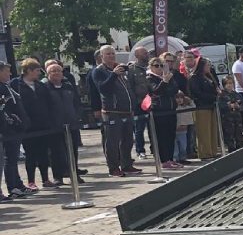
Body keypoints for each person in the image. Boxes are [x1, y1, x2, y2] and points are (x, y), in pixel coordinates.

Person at [91, 45, 142, 177]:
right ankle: (113, 168)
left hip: (126, 111)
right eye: (107, 54)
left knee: (128, 140)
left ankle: (126, 164)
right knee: (112, 142)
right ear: (101, 56)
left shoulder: (120, 68)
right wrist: (113, 75)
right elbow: (103, 89)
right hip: (112, 112)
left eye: (112, 53)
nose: (111, 56)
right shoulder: (99, 71)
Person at [12, 59, 55, 188]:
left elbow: (49, 103)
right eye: (36, 71)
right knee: (30, 154)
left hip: (43, 125)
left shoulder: (41, 85)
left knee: (43, 153)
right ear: (29, 70)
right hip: (27, 127)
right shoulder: (16, 84)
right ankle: (31, 181)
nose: (38, 73)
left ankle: (45, 179)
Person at [44, 62, 84, 182]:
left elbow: (76, 103)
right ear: (48, 74)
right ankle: (58, 176)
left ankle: (74, 173)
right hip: (55, 126)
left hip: (72, 124)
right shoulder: (45, 88)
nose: (56, 73)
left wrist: (77, 116)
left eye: (58, 71)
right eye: (53, 71)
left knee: (73, 151)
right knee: (56, 152)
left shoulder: (68, 86)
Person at [0, 63, 33, 200]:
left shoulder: (6, 86)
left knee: (12, 157)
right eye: (7, 71)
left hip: (15, 129)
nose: (10, 74)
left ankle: (18, 184)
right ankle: (12, 187)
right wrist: (11, 121)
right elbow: (5, 110)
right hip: (7, 129)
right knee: (8, 159)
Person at [145, 56, 180, 169]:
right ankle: (163, 160)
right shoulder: (150, 78)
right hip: (159, 111)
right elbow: (156, 91)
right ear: (151, 67)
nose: (159, 68)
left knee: (171, 135)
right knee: (162, 137)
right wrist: (164, 82)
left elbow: (174, 89)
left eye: (161, 65)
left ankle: (170, 158)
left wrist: (167, 81)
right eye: (156, 65)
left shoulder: (167, 76)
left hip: (170, 110)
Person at [189, 59, 220, 159]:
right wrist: (212, 97)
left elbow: (215, 87)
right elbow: (197, 93)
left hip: (211, 106)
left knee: (212, 130)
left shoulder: (208, 76)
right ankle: (205, 153)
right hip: (201, 107)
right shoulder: (194, 78)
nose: (209, 67)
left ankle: (213, 151)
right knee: (204, 131)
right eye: (207, 65)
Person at [218, 76, 243, 151]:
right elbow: (220, 106)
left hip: (237, 119)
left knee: (239, 136)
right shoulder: (221, 95)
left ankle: (240, 148)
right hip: (227, 120)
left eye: (231, 83)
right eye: (227, 83)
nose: (229, 85)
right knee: (229, 137)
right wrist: (229, 106)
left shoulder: (236, 94)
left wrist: (238, 106)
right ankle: (231, 149)